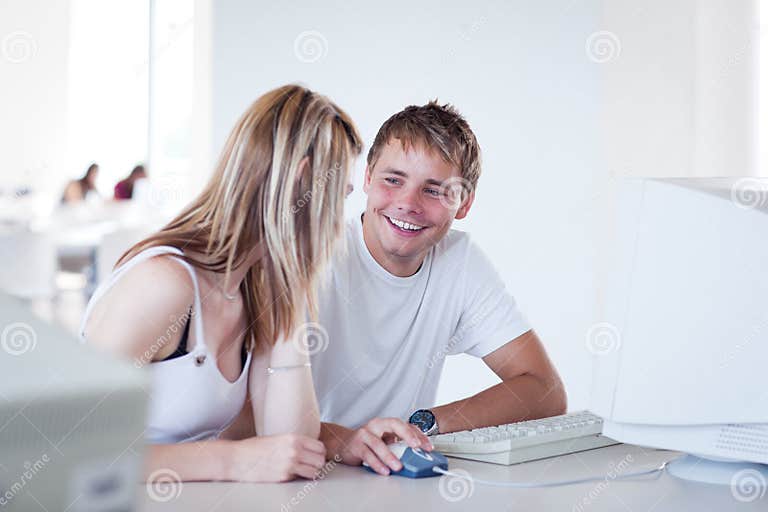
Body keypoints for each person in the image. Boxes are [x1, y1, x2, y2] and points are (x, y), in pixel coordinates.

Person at [80, 84, 374, 483]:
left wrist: (290, 293)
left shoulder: (254, 288)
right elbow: (69, 449)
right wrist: (230, 461)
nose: (339, 224)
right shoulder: (164, 284)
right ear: (301, 183)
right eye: (338, 198)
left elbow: (290, 445)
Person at [313, 101, 567, 475]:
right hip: (306, 474)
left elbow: (544, 389)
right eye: (393, 180)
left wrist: (418, 425)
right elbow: (252, 413)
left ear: (463, 204)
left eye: (434, 191)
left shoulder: (459, 262)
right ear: (367, 178)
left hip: (391, 477)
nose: (407, 204)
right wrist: (349, 440)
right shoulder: (315, 253)